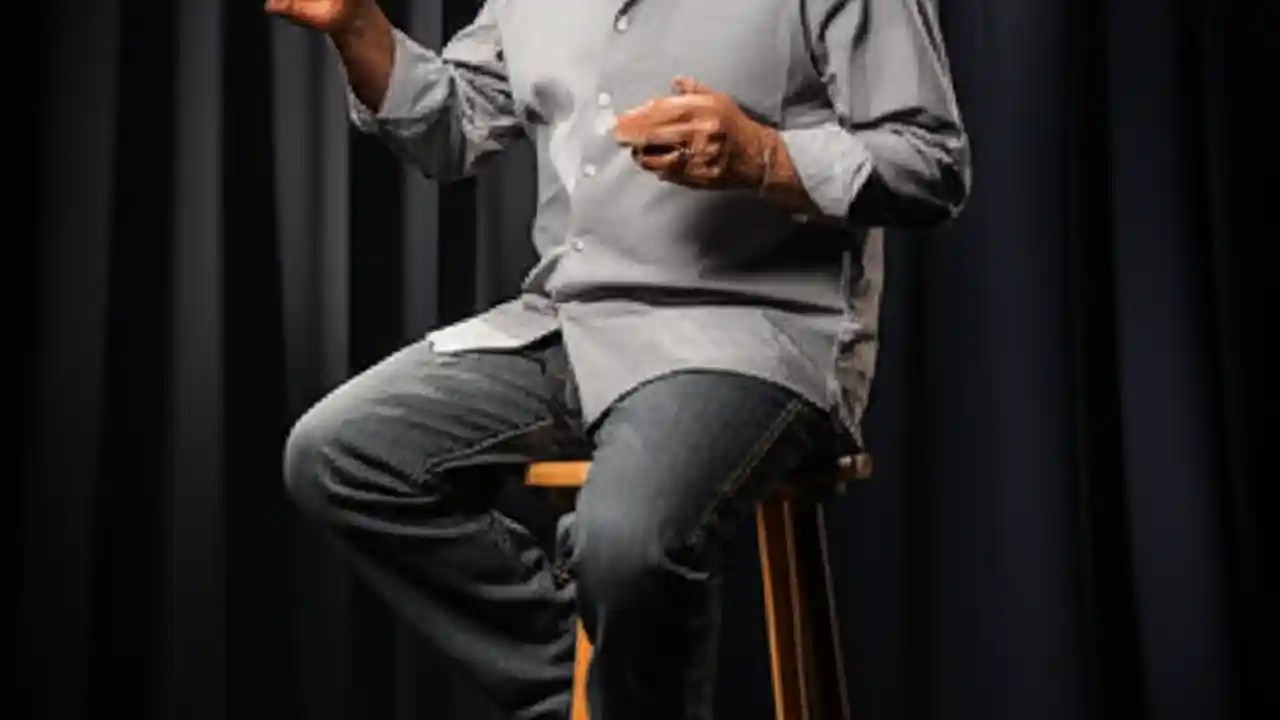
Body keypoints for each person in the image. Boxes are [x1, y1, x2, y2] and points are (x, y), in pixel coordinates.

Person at [269, 0, 969, 717]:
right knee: (341, 455)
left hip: (754, 331)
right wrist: (359, 28)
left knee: (626, 540)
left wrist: (765, 157)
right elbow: (453, 128)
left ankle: (609, 689)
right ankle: (590, 691)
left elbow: (931, 163)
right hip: (574, 322)